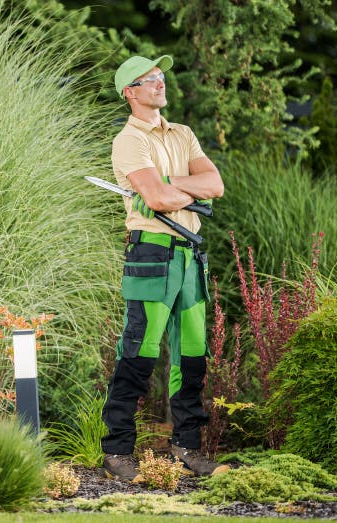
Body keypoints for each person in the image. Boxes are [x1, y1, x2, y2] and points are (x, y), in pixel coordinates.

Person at [100, 55, 229, 482]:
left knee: (192, 353)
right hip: (151, 254)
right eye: (148, 79)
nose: (159, 82)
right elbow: (155, 200)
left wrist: (172, 192)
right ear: (130, 93)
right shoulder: (129, 141)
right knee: (140, 350)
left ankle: (185, 447)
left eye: (160, 76)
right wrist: (177, 194)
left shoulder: (183, 133)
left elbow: (215, 185)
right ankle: (118, 450)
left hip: (190, 254)